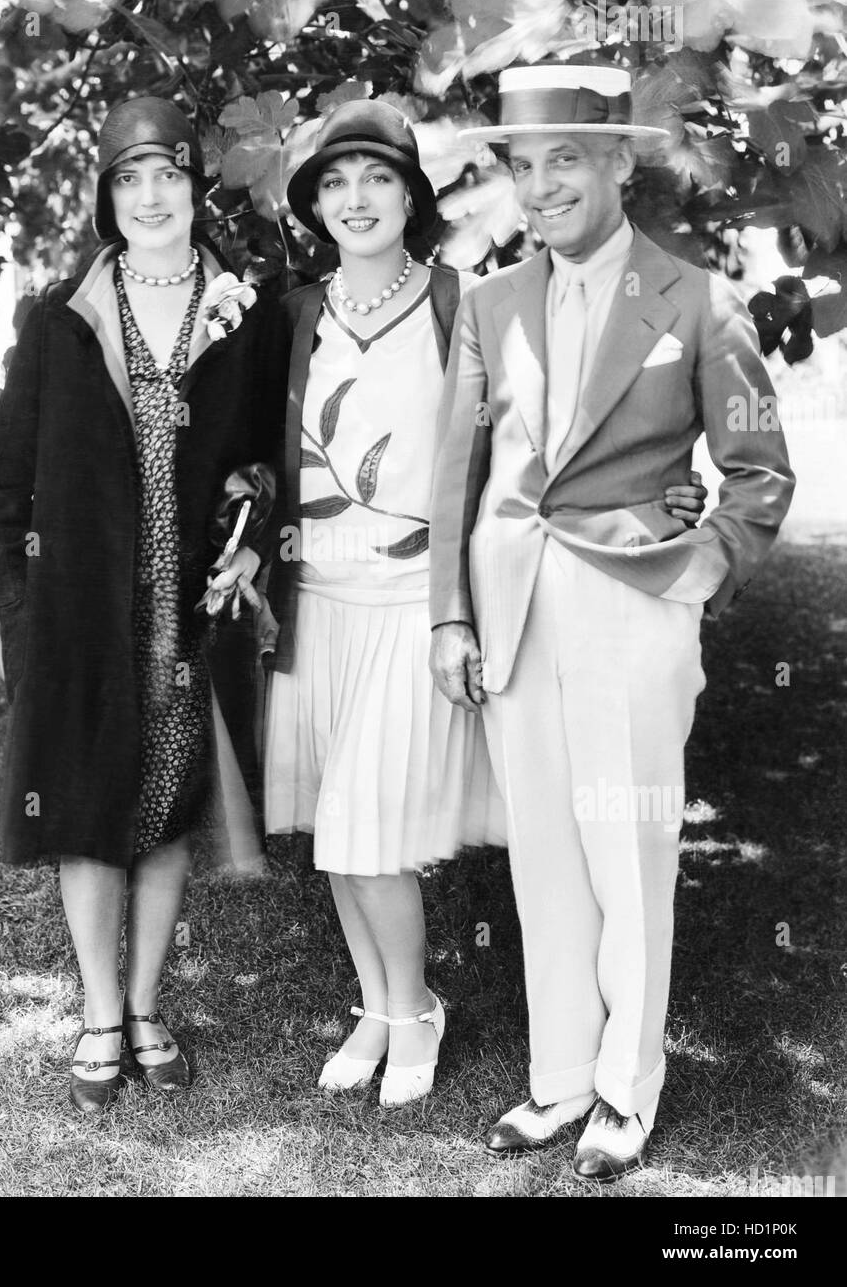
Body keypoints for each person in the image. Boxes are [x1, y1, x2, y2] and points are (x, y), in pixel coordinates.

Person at [264, 98, 708, 1109]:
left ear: (413, 196)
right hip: (318, 601)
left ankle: (419, 1005)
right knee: (339, 833)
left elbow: (552, 433)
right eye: (334, 182)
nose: (355, 198)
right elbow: (252, 451)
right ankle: (377, 1006)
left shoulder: (465, 300)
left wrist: (657, 493)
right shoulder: (290, 314)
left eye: (376, 177)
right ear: (315, 207)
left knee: (363, 829)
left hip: (416, 607)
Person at [429, 63, 795, 1178]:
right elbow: (457, 476)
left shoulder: (698, 300)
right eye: (523, 165)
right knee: (542, 854)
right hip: (514, 610)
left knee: (628, 852)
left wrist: (695, 575)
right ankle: (559, 1080)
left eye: (564, 161)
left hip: (634, 611)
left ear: (620, 160)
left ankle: (627, 1094)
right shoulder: (487, 302)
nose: (539, 187)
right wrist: (450, 616)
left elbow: (758, 474)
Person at [0, 96, 280, 1115]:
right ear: (108, 198)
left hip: (185, 617)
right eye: (128, 177)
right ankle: (100, 1010)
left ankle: (148, 1006)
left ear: (197, 188)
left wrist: (256, 513)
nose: (150, 195)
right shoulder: (61, 320)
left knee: (164, 808)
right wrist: (19, 607)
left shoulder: (248, 313)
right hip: (79, 612)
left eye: (168, 174)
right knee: (83, 810)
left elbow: (268, 463)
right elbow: (4, 482)